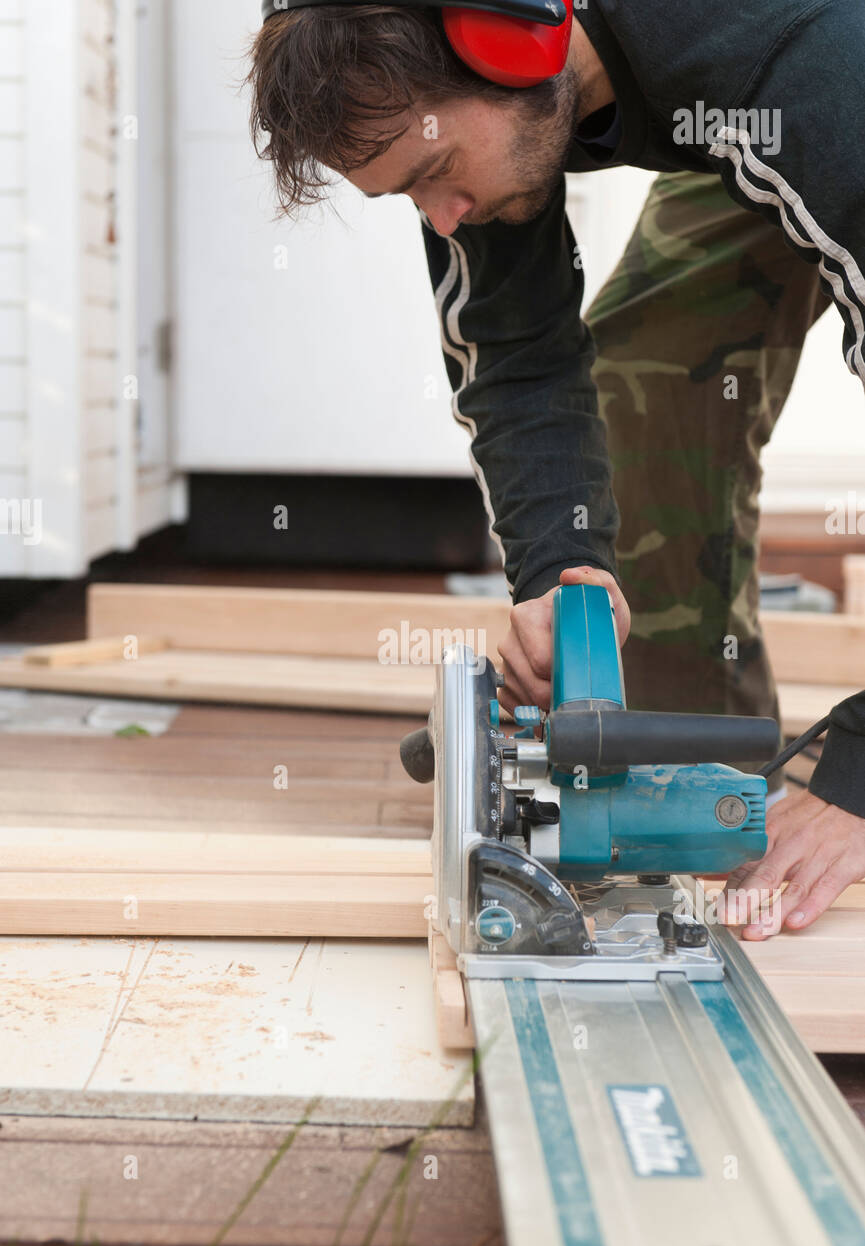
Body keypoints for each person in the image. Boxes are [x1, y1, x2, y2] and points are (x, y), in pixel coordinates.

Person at [247, 0, 865, 939]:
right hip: (740, 102)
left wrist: (859, 781)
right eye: (408, 196)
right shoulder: (491, 89)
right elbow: (519, 357)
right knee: (652, 372)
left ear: (517, 37)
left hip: (822, 70)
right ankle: (707, 810)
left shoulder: (805, 61)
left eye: (435, 175)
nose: (442, 217)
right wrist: (558, 569)